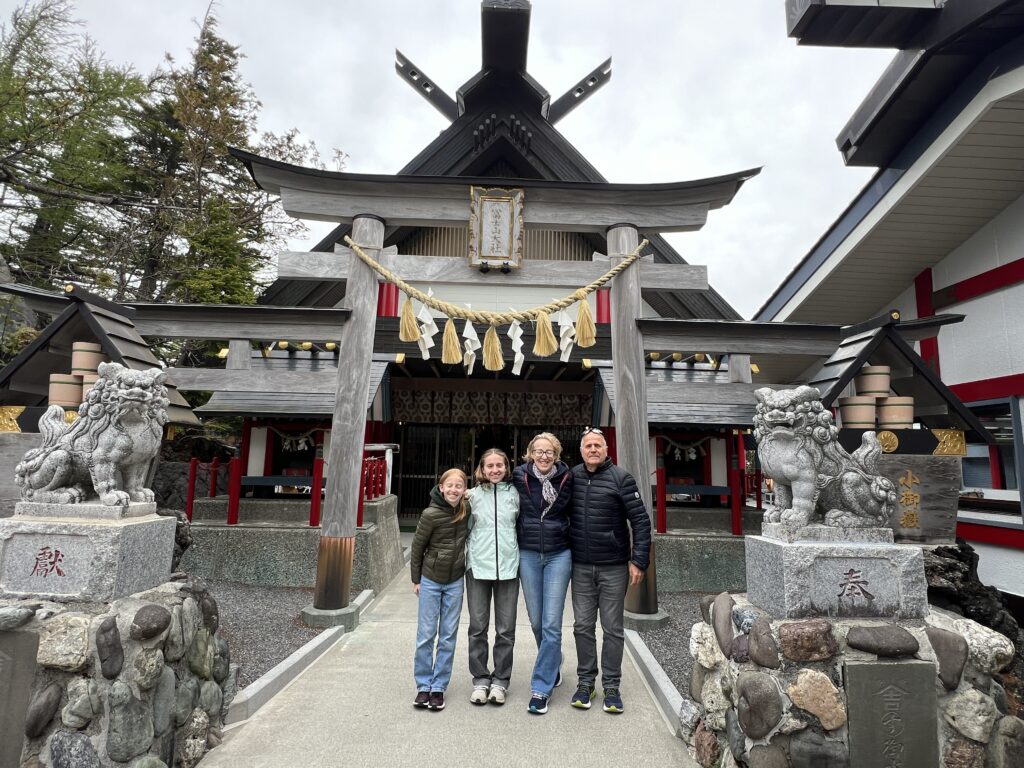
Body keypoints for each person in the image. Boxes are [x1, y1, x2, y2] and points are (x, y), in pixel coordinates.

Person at [568, 426, 651, 714]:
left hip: (614, 566)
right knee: (582, 626)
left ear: (606, 450)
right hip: (580, 565)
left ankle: (612, 685)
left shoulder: (621, 479)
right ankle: (585, 682)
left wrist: (639, 560)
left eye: (597, 445)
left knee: (613, 628)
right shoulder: (573, 477)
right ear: (581, 451)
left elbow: (640, 521)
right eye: (588, 446)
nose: (592, 450)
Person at [512, 432, 574, 715]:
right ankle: (554, 660)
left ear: (557, 454)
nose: (544, 456)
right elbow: (493, 489)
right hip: (528, 553)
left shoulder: (568, 478)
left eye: (549, 451)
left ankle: (541, 688)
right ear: (530, 453)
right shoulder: (519, 476)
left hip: (559, 553)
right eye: (538, 451)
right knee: (536, 620)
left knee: (551, 623)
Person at [410, 467, 471, 711]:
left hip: (455, 579)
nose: (454, 490)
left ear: (464, 489)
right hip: (431, 579)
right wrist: (417, 580)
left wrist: (470, 496)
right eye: (450, 485)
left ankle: (439, 687)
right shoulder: (430, 514)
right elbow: (417, 548)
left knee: (448, 636)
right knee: (426, 634)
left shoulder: (467, 509)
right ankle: (423, 685)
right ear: (441, 487)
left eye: (460, 486)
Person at [465, 448, 520, 706]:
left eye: (500, 465)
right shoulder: (472, 496)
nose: (495, 470)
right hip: (478, 567)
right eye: (490, 466)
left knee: (506, 630)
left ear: (507, 468)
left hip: (508, 567)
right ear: (482, 469)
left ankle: (501, 680)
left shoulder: (516, 495)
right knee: (477, 627)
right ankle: (480, 679)